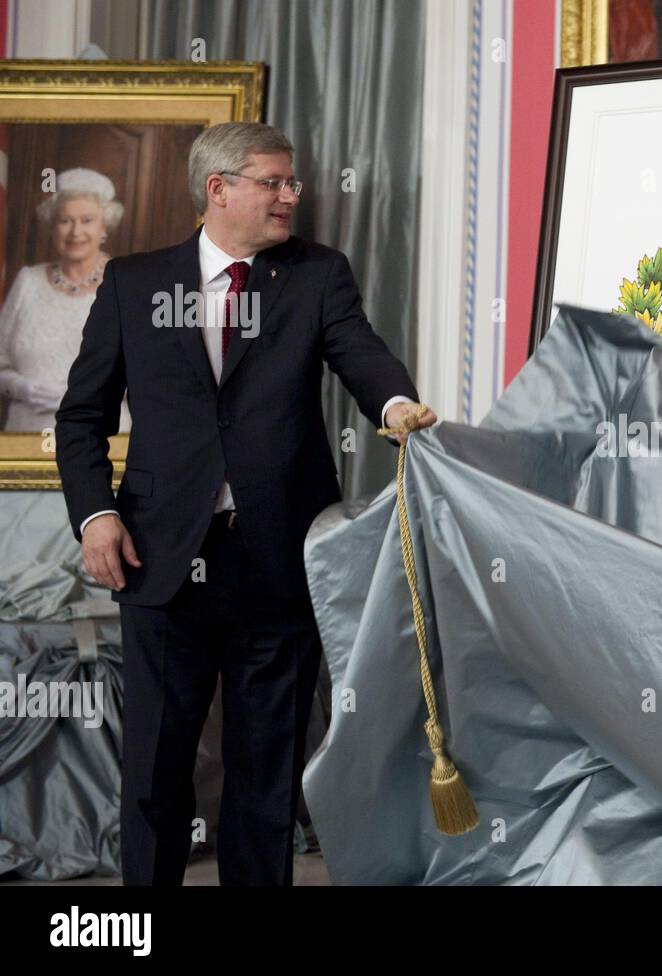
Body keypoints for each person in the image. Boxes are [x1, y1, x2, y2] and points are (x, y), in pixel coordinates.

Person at [54, 121, 434, 885]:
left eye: (292, 182)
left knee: (264, 783)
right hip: (159, 559)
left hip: (277, 561)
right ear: (218, 188)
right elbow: (81, 418)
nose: (291, 195)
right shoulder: (134, 284)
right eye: (274, 181)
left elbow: (361, 354)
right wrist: (96, 516)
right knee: (155, 777)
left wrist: (395, 406)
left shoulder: (317, 275)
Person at [0, 168, 130, 431]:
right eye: (65, 221)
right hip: (24, 435)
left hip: (99, 437)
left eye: (87, 220)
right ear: (52, 227)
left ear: (104, 226)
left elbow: (150, 371)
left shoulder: (126, 282)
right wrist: (19, 387)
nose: (75, 232)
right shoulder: (27, 281)